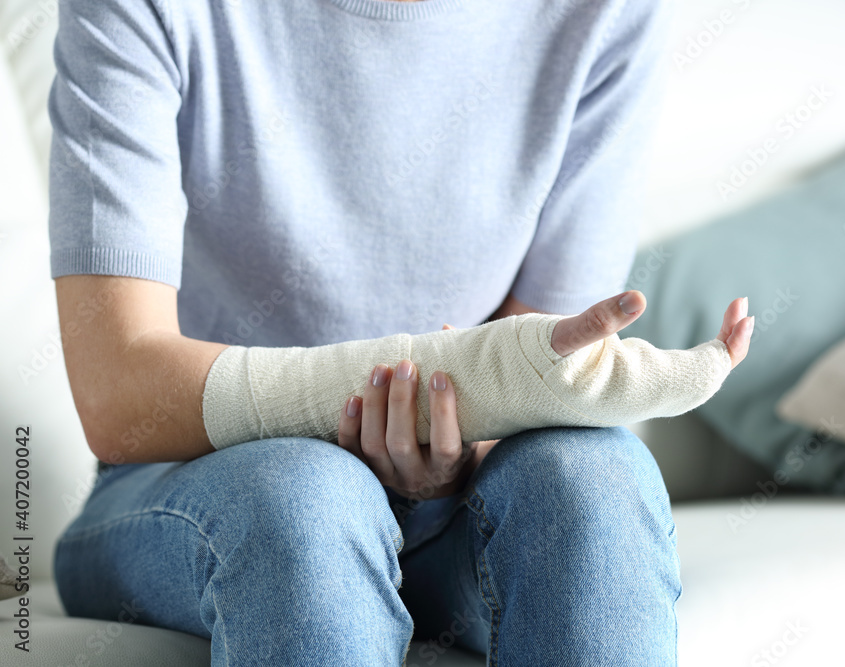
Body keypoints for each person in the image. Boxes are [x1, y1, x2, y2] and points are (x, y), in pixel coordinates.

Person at [47, 0, 752, 664]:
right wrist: (404, 410)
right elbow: (118, 393)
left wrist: (450, 452)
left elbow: (543, 374)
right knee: (308, 502)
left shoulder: (603, 13)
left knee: (597, 481)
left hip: (463, 494)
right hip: (194, 485)